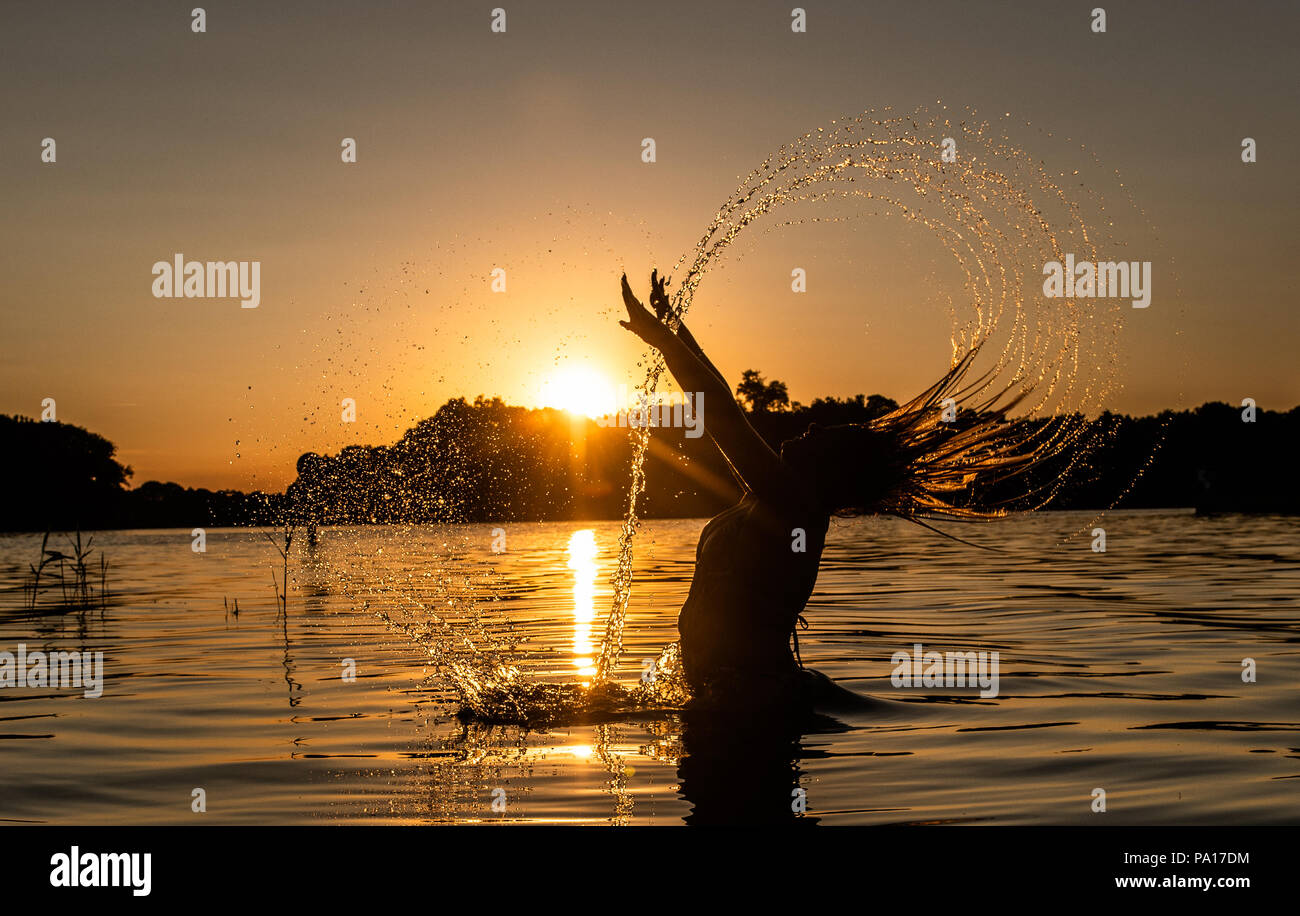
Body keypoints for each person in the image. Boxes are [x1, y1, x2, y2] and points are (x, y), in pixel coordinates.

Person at [617, 271, 1030, 715]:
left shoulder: (794, 507)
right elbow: (723, 398)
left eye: (825, 434)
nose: (812, 426)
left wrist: (663, 340)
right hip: (726, 699)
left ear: (834, 468)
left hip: (756, 701)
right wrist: (673, 322)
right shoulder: (768, 502)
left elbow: (721, 415)